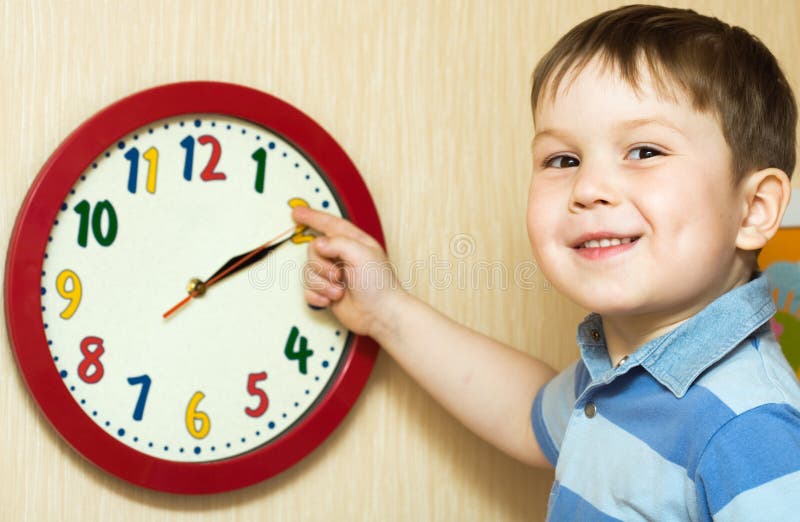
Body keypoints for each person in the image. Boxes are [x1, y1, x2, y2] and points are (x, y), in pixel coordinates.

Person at [292, 4, 800, 520]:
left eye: (644, 151)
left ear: (753, 210)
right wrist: (386, 311)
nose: (588, 188)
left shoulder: (751, 428)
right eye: (564, 160)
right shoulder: (626, 374)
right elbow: (526, 414)